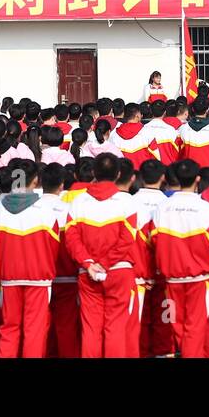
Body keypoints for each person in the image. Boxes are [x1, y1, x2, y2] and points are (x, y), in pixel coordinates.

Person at [144, 158, 209, 358]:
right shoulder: (204, 207)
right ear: (197, 179)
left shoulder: (162, 207)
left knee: (178, 327)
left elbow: (152, 239)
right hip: (199, 278)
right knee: (194, 328)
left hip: (172, 278)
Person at [63, 153, 138, 358]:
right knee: (115, 327)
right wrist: (103, 264)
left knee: (91, 328)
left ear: (94, 172)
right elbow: (127, 239)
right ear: (118, 174)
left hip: (88, 272)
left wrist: (88, 263)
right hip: (118, 271)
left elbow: (71, 237)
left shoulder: (78, 202)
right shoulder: (127, 202)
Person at [0, 159, 64, 358]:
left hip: (9, 276)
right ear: (36, 180)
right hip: (37, 276)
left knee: (9, 328)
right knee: (35, 330)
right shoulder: (46, 210)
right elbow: (54, 246)